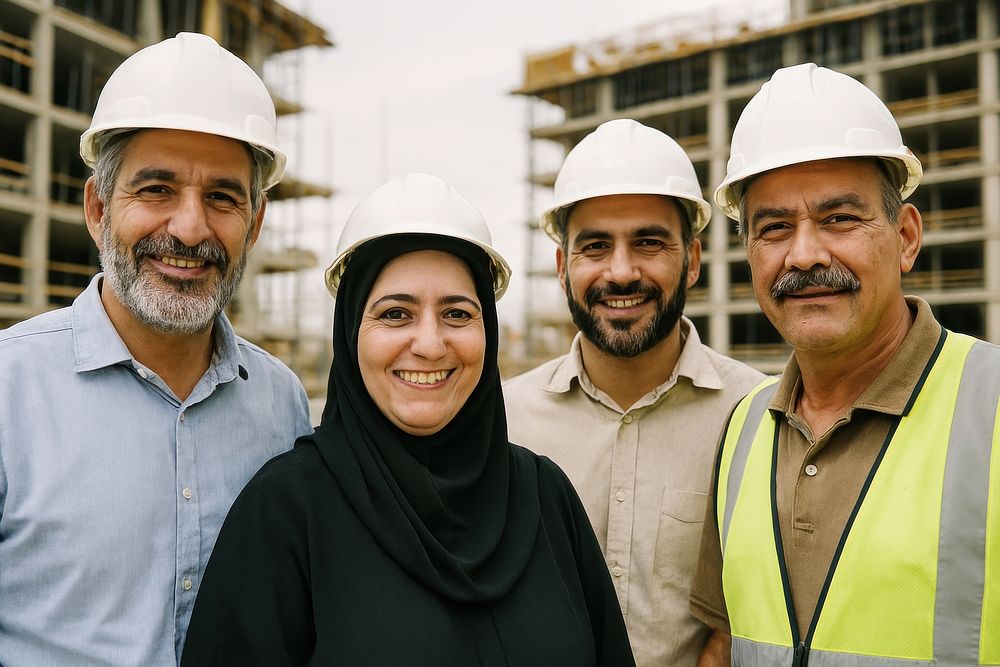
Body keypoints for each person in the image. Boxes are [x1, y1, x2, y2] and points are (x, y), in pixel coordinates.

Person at [179, 173, 635, 666]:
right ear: (352, 330)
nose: (430, 344)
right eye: (396, 314)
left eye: (458, 314)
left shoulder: (546, 497)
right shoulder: (287, 511)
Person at [0, 33, 312, 666]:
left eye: (222, 197)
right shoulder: (9, 390)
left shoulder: (281, 403)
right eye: (156, 190)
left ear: (253, 224)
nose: (190, 228)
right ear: (97, 208)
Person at [691, 63, 1000, 666]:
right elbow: (725, 645)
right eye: (774, 228)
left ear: (906, 236)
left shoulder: (992, 406)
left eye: (839, 219)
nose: (804, 255)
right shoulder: (743, 430)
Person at [503, 118, 766, 665]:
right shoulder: (502, 421)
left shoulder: (759, 416)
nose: (621, 273)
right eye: (595, 246)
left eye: (649, 242)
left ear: (692, 260)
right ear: (562, 266)